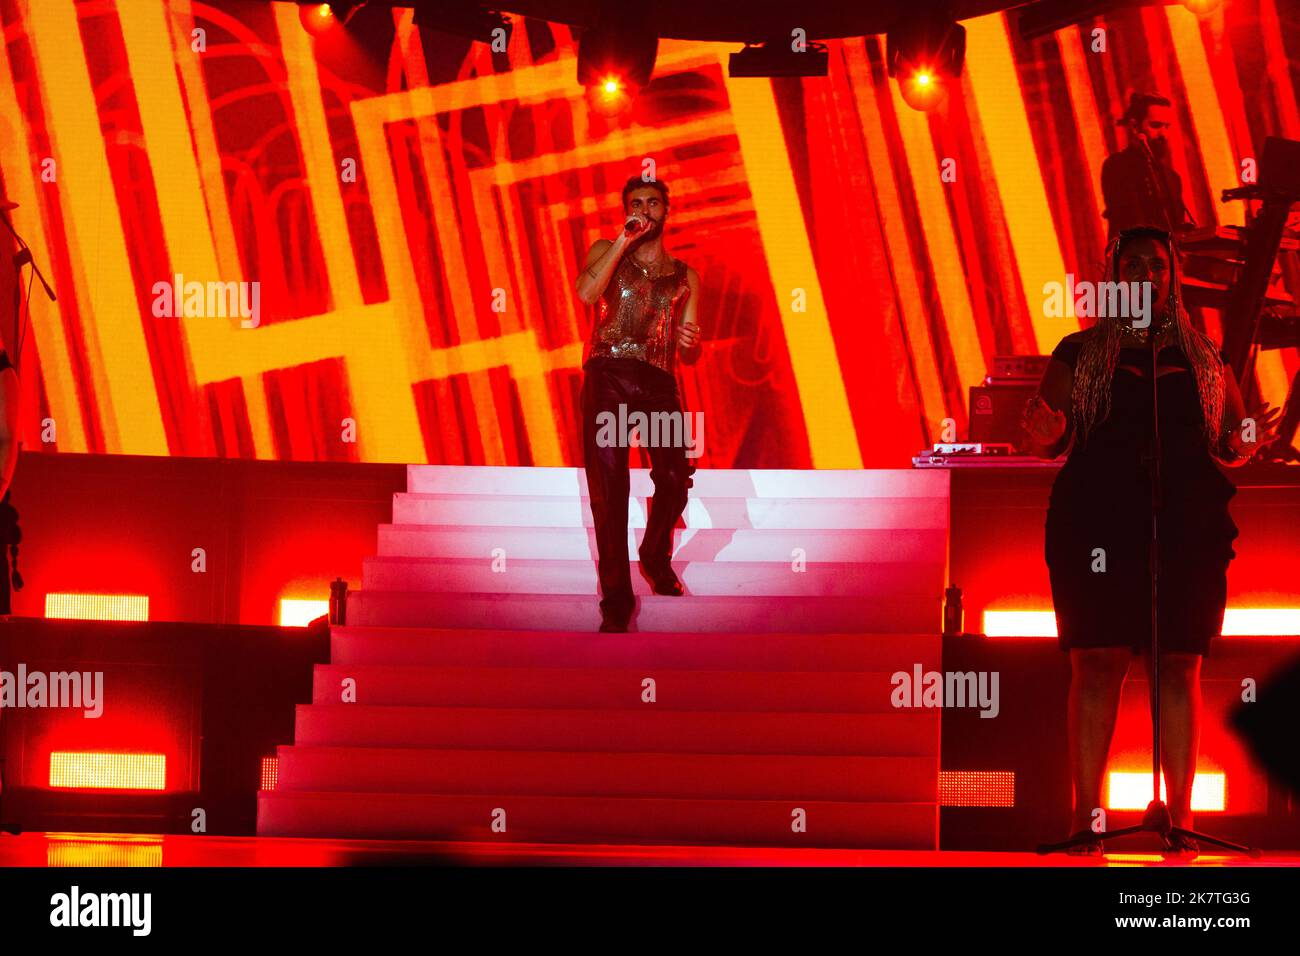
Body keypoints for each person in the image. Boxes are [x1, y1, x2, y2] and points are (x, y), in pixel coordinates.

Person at [1020, 226, 1281, 857]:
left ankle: (1180, 816)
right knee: (1098, 661)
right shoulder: (1079, 351)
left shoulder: (1203, 355)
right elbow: (1044, 436)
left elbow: (1230, 441)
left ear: (1171, 276)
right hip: (1096, 522)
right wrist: (1043, 431)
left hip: (1186, 522)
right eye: (1132, 264)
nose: (1145, 273)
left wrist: (1246, 440)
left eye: (1156, 265)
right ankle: (1087, 818)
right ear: (1114, 276)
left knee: (1178, 664)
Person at [574, 175, 702, 633]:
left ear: (667, 211)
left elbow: (688, 348)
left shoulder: (686, 276)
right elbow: (587, 294)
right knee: (609, 486)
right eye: (635, 204)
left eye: (652, 203)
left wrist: (690, 342)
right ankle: (616, 599)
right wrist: (622, 241)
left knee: (673, 475)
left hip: (658, 382)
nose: (645, 210)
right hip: (608, 374)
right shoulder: (605, 250)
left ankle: (653, 552)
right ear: (627, 211)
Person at [1101, 93, 1194, 240]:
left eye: (1167, 126)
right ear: (1135, 126)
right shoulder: (1116, 166)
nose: (1164, 134)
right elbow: (1129, 222)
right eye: (1156, 125)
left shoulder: (1172, 178)